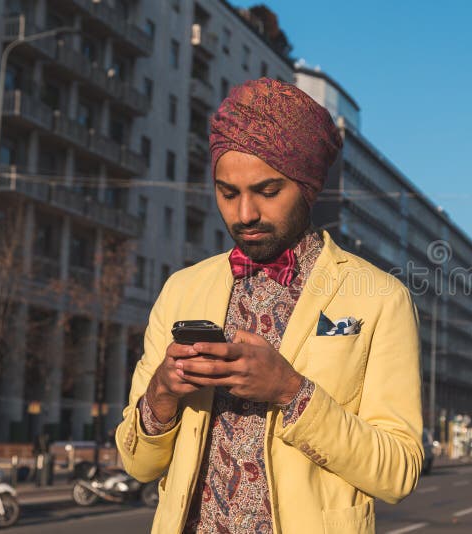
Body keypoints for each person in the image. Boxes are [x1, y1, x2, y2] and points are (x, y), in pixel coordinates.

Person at [115, 78, 423, 534]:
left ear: (307, 187)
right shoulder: (182, 289)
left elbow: (399, 472)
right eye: (227, 192)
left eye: (268, 191)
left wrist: (291, 392)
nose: (244, 214)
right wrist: (161, 394)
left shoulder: (378, 296)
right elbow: (138, 466)